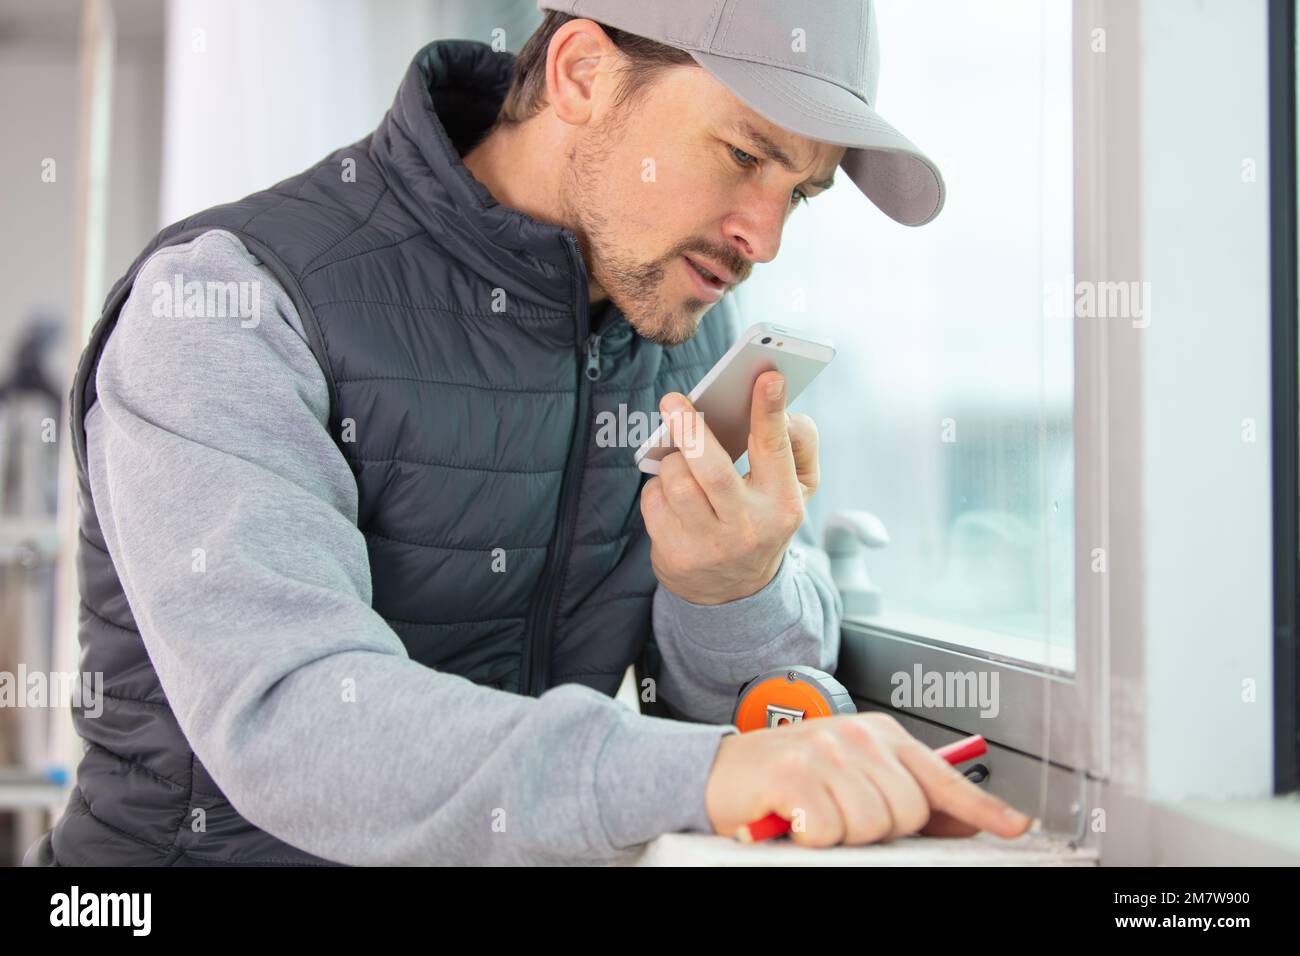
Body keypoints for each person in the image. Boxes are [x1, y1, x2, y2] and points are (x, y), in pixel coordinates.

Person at [27, 0, 1031, 866]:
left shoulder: (682, 328)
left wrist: (731, 586)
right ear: (583, 74)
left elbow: (743, 709)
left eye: (797, 193)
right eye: (743, 155)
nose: (762, 238)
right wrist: (707, 773)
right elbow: (289, 718)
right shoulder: (229, 302)